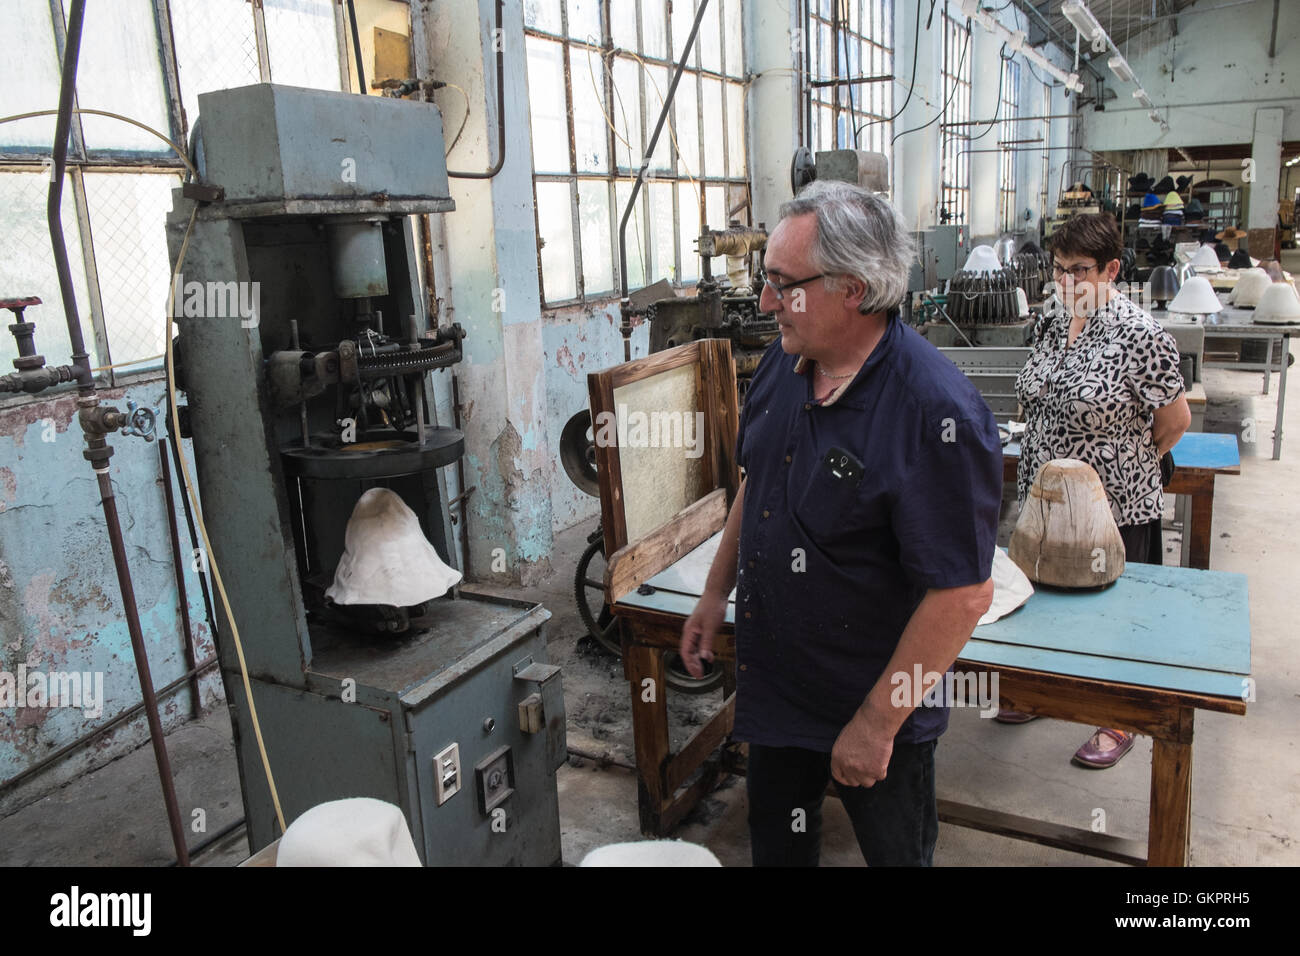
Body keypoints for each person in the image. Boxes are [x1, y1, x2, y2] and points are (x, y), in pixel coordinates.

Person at [678, 180, 1003, 866]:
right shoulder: (782, 364)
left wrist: (877, 724)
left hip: (875, 697)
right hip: (778, 689)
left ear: (853, 289)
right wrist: (715, 593)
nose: (766, 302)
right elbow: (757, 484)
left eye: (782, 284)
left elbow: (963, 594)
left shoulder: (934, 412)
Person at [1001, 212, 1191, 768]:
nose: (1064, 283)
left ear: (1110, 269)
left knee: (1113, 615)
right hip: (1046, 499)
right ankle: (1041, 694)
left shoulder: (1142, 335)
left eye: (1078, 271)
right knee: (1046, 602)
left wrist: (1128, 467)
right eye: (1057, 270)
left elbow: (1174, 419)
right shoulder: (1050, 322)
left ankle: (1121, 713)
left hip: (1115, 506)